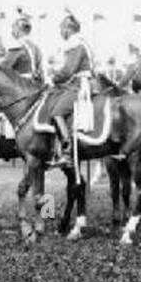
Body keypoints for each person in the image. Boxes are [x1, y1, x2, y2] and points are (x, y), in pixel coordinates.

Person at [47, 9, 96, 167]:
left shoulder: (76, 45)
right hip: (77, 83)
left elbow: (69, 70)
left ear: (68, 29)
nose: (61, 32)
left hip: (79, 86)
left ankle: (67, 151)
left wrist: (53, 78)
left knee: (57, 112)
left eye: (62, 29)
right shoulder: (82, 43)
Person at [0, 8, 44, 83]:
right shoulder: (36, 48)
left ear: (18, 28)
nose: (12, 31)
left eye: (13, 27)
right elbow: (41, 73)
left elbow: (2, 70)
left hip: (21, 89)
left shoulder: (17, 46)